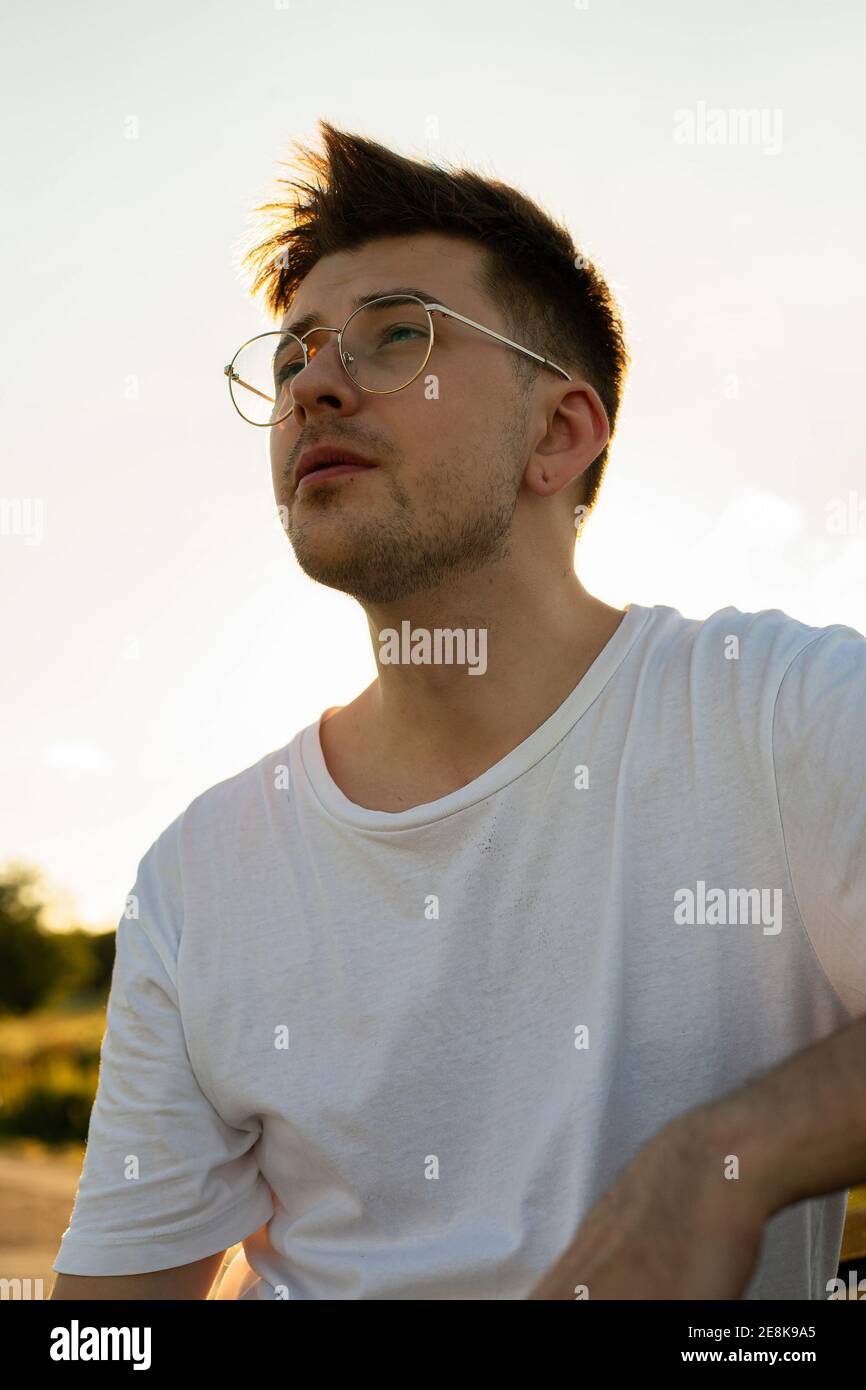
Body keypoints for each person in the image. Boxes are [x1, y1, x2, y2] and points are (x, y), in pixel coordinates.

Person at [52, 121, 866, 1301]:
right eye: (290, 363)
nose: (315, 386)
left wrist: (714, 1167)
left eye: (397, 338)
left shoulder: (780, 713)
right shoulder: (196, 875)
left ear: (559, 431)